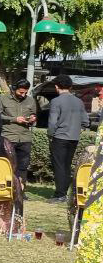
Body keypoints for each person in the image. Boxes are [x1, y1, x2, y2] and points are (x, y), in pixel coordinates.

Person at [48, 75, 89, 203]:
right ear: (70, 87)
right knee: (66, 165)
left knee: (59, 165)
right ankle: (64, 192)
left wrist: (50, 135)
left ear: (56, 87)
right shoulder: (79, 101)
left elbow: (52, 122)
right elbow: (85, 121)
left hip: (60, 137)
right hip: (74, 138)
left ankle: (60, 194)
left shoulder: (56, 101)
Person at [0, 78, 37, 186]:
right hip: (8, 136)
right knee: (8, 164)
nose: (23, 95)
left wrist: (32, 119)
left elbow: (34, 116)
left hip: (25, 138)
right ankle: (5, 187)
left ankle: (21, 190)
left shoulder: (30, 101)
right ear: (14, 89)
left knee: (23, 166)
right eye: (21, 92)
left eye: (26, 92)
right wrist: (14, 119)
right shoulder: (3, 99)